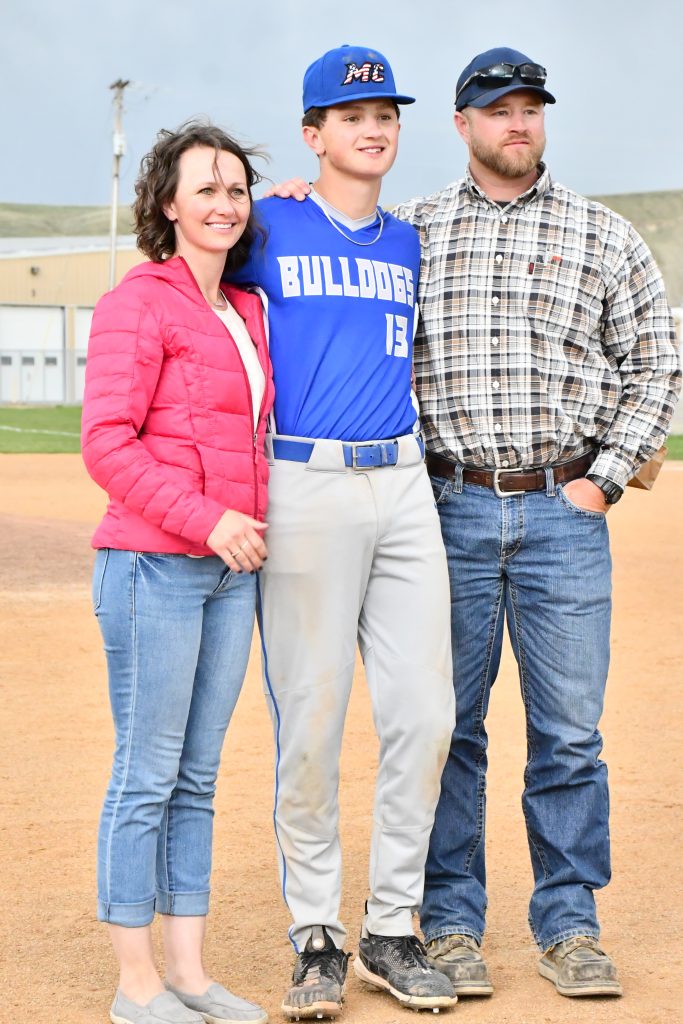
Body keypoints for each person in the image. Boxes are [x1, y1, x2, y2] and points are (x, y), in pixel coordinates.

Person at [389, 47, 682, 999]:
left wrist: (599, 481)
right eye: (497, 109)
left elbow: (655, 366)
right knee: (450, 728)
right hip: (448, 509)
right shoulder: (413, 231)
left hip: (564, 513)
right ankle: (449, 925)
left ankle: (568, 923)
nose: (517, 123)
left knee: (566, 734)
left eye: (530, 108)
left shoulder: (603, 235)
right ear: (463, 123)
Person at [228, 44, 457, 1019]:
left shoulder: (409, 240)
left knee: (424, 715)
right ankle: (315, 930)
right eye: (351, 116)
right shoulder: (269, 223)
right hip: (304, 481)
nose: (374, 128)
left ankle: (391, 926)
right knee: (311, 723)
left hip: (400, 483)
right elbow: (190, 270)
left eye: (387, 115)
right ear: (313, 135)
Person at [81, 122, 274, 1024]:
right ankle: (136, 984)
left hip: (231, 575)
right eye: (205, 188)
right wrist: (211, 520)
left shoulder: (244, 308)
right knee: (146, 772)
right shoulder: (138, 300)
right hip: (155, 566)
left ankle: (190, 976)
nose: (225, 204)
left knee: (197, 777)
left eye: (237, 189)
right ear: (167, 203)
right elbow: (107, 446)